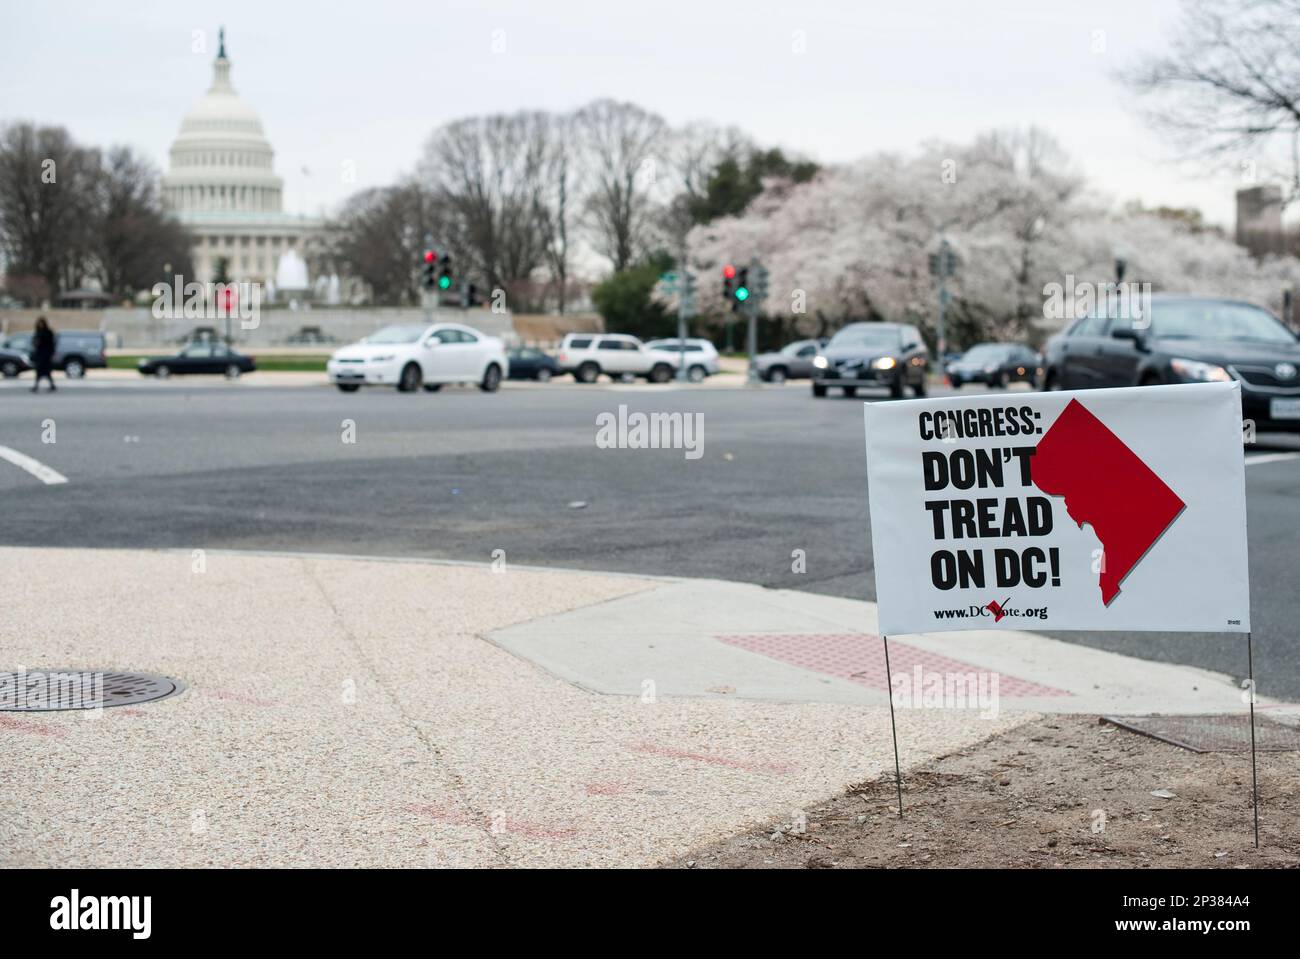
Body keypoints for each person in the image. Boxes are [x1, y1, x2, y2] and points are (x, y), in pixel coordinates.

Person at [31, 316, 57, 393]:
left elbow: (52, 344)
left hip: (46, 354)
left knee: (46, 371)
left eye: (41, 323)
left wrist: (52, 353)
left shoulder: (48, 332)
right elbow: (34, 342)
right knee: (40, 371)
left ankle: (49, 385)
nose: (40, 325)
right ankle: (38, 385)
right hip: (39, 354)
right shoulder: (37, 332)